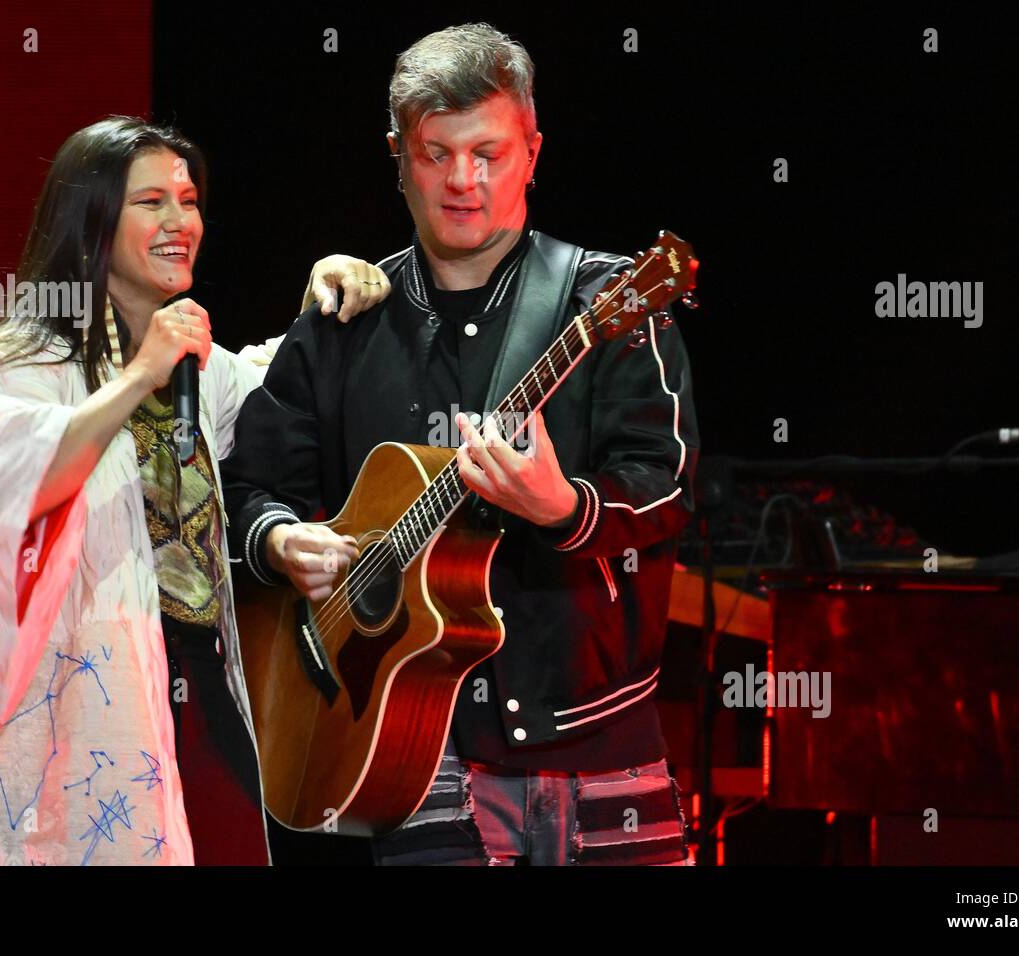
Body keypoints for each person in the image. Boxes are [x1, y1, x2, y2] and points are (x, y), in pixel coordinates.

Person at [222, 24, 700, 865]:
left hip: (602, 741)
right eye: (436, 153)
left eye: (489, 151)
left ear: (533, 151)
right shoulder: (342, 322)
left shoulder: (609, 300)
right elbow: (245, 487)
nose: (463, 181)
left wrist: (565, 508)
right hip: (415, 757)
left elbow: (666, 487)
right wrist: (278, 539)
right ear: (399, 157)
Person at [0, 116, 388, 865]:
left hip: (201, 699)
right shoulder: (24, 362)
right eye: (152, 203)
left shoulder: (197, 368)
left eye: (188, 199)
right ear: (93, 222)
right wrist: (139, 374)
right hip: (79, 710)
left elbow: (283, 393)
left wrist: (323, 305)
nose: (181, 222)